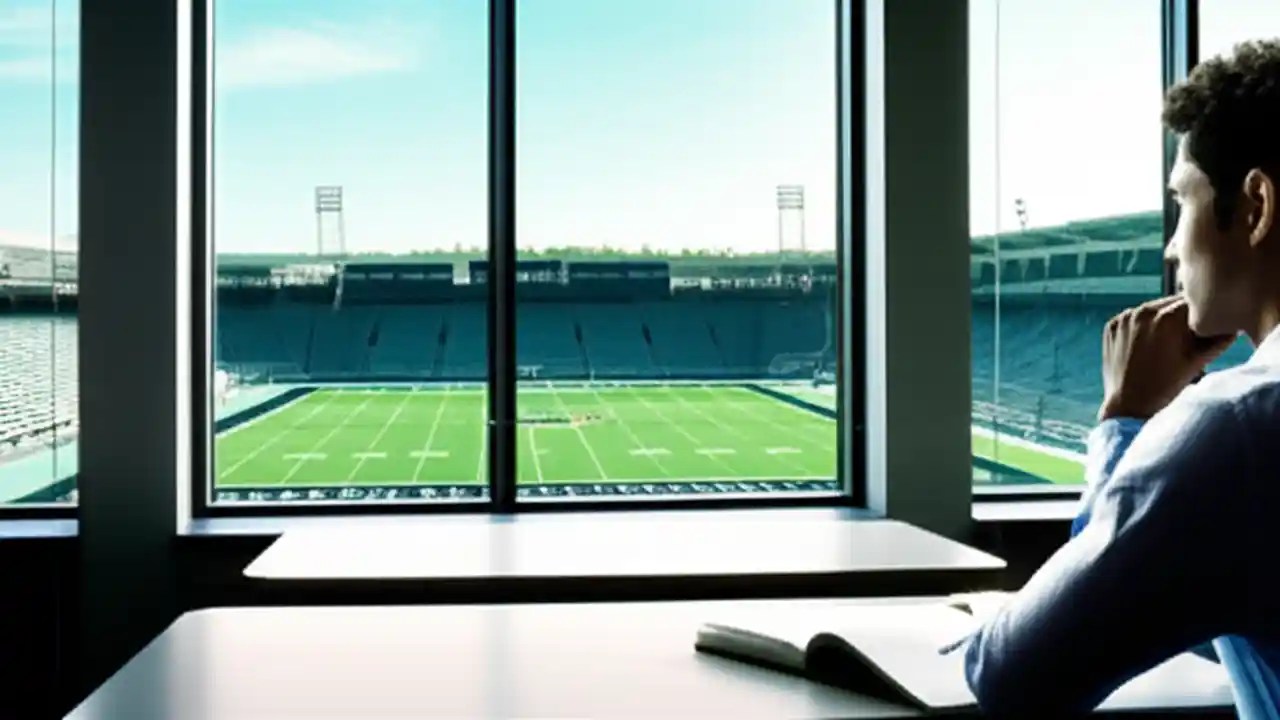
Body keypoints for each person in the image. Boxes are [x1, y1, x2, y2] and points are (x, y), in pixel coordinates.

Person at [963, 39, 1280, 718]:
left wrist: (1125, 418)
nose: (1170, 246)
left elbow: (1019, 673)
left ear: (1254, 207)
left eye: (1182, 202)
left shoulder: (1239, 427)